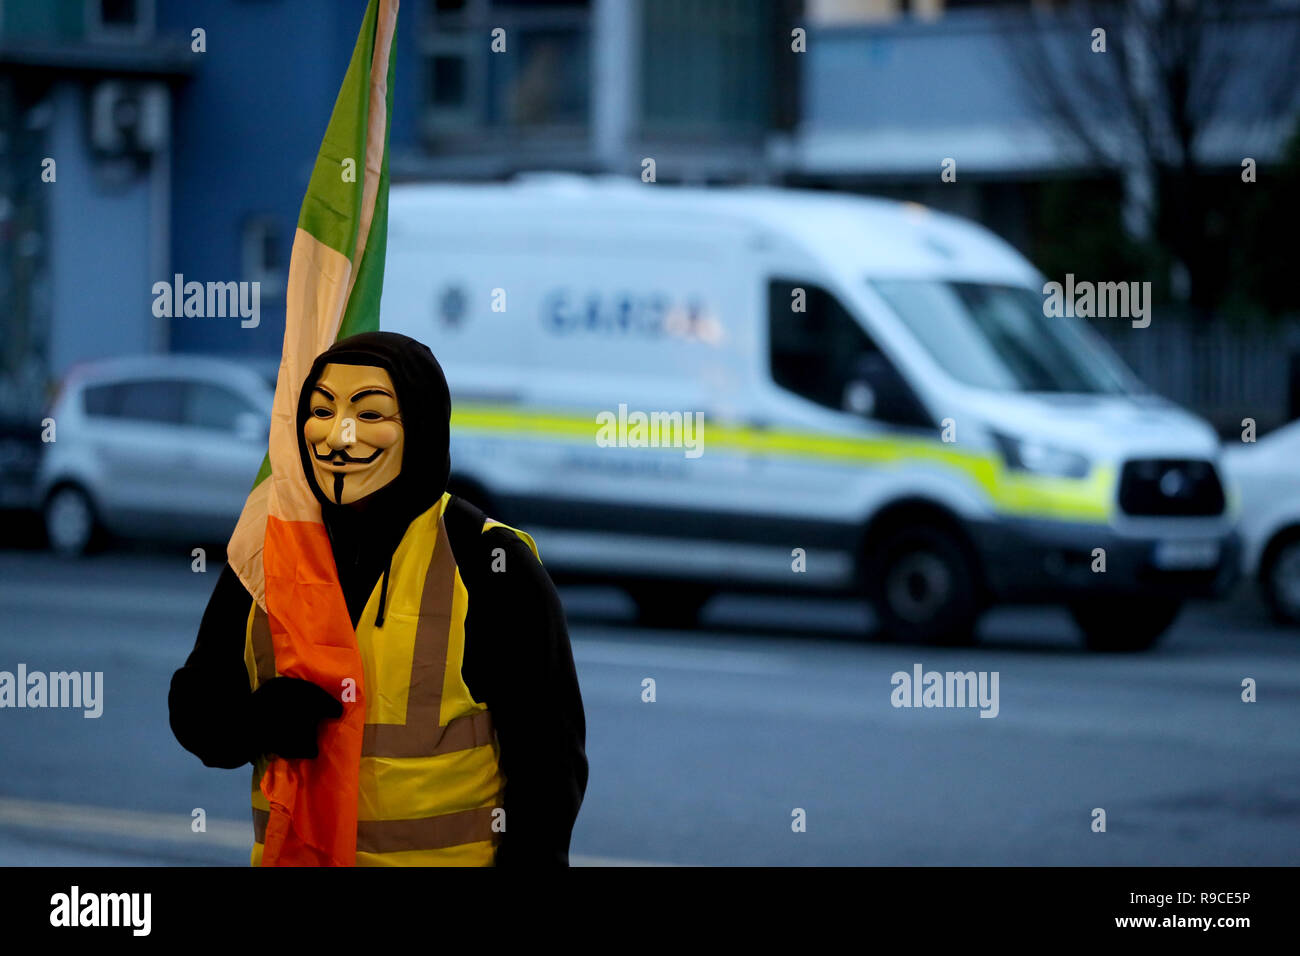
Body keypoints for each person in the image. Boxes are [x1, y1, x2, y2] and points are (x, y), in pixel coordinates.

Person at [169, 331, 588, 866]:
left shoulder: (489, 563)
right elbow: (194, 711)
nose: (340, 437)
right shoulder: (267, 553)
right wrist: (256, 721)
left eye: (370, 414)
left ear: (422, 424)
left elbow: (550, 767)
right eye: (322, 410)